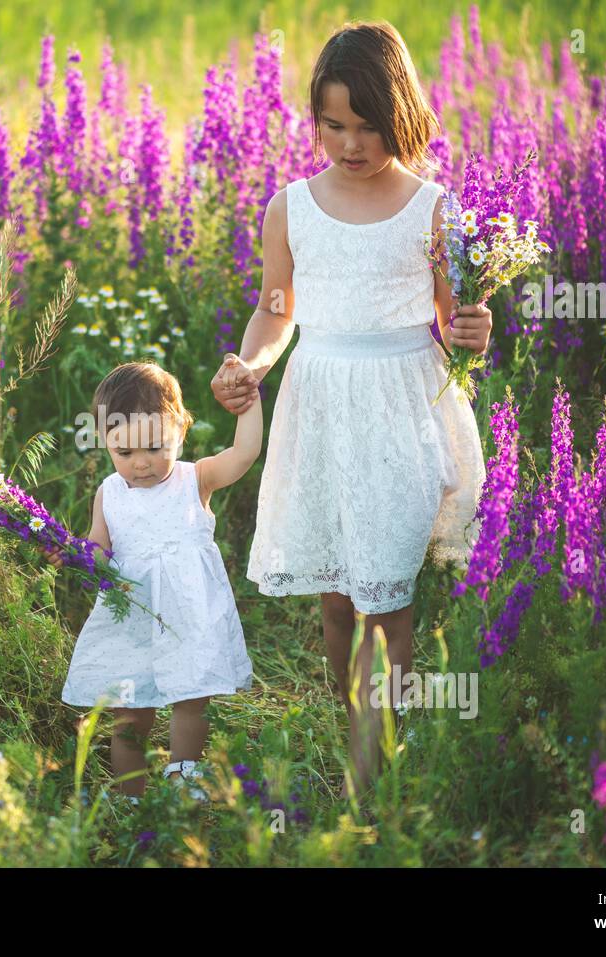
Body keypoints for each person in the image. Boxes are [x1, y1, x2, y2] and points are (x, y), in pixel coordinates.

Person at [211, 20, 490, 799]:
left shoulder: (435, 209)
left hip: (403, 409)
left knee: (387, 599)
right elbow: (277, 309)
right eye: (332, 124)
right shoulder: (290, 208)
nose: (350, 143)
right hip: (322, 411)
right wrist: (253, 364)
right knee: (338, 599)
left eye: (367, 125)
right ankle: (360, 730)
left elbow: (456, 320)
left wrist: (475, 327)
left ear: (400, 114)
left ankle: (374, 778)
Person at [55, 360, 260, 805]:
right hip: (132, 614)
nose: (141, 463)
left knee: (191, 696)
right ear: (105, 444)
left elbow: (243, 454)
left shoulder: (195, 479)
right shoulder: (109, 492)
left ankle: (183, 777)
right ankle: (132, 796)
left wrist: (249, 402)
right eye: (124, 453)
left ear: (180, 431)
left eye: (154, 447)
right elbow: (99, 548)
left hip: (188, 613)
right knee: (130, 710)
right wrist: (74, 553)